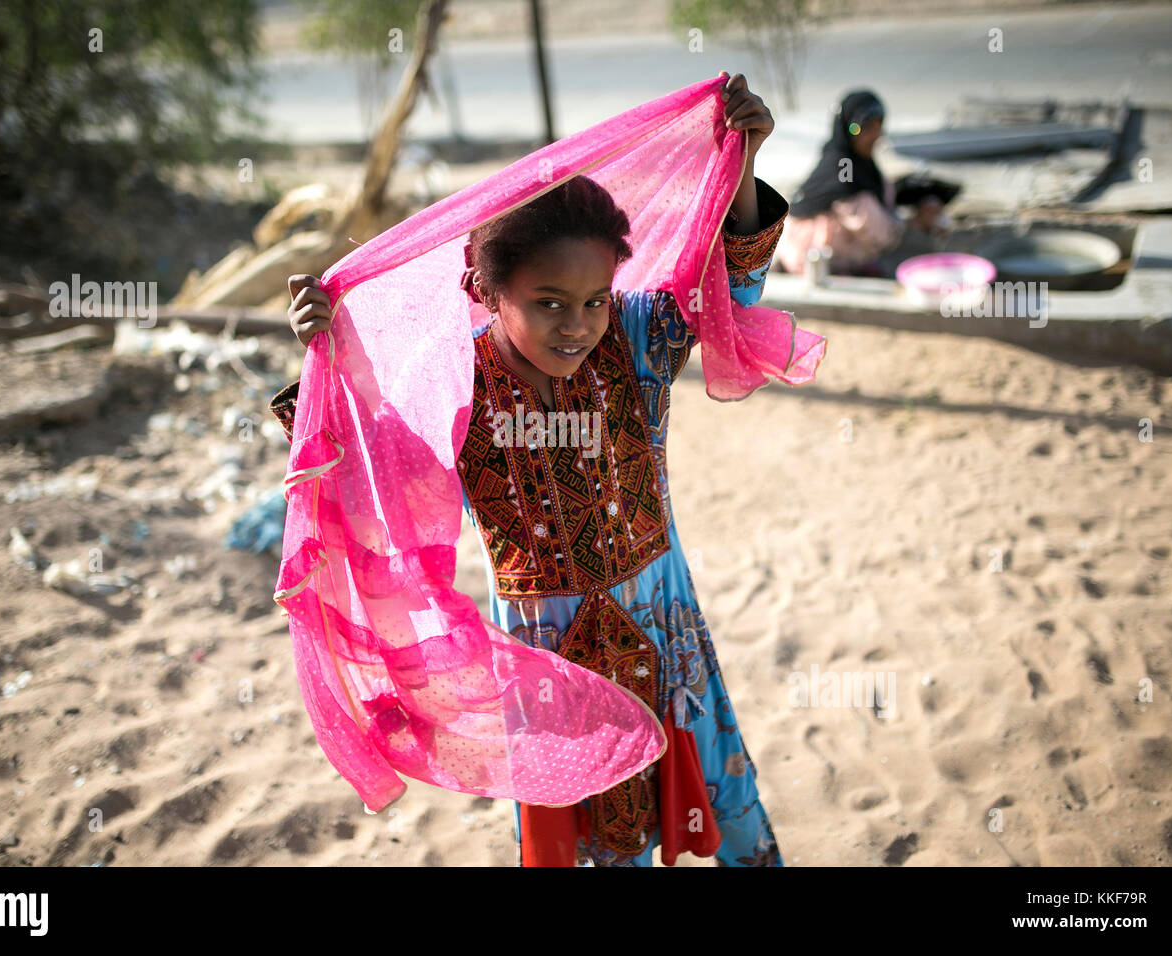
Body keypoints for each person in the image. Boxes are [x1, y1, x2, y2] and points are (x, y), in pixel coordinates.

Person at [271, 72, 787, 867]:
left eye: (594, 299)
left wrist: (742, 160)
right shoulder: (458, 387)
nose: (578, 324)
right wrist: (327, 355)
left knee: (722, 795)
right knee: (594, 835)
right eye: (548, 301)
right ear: (485, 289)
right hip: (544, 651)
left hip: (666, 620)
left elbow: (733, 288)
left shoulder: (639, 340)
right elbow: (370, 467)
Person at [774, 89, 950, 278]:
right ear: (844, 129)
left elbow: (880, 192)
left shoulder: (860, 161)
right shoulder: (843, 163)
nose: (873, 135)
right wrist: (915, 222)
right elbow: (857, 207)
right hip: (805, 257)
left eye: (877, 126)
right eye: (860, 128)